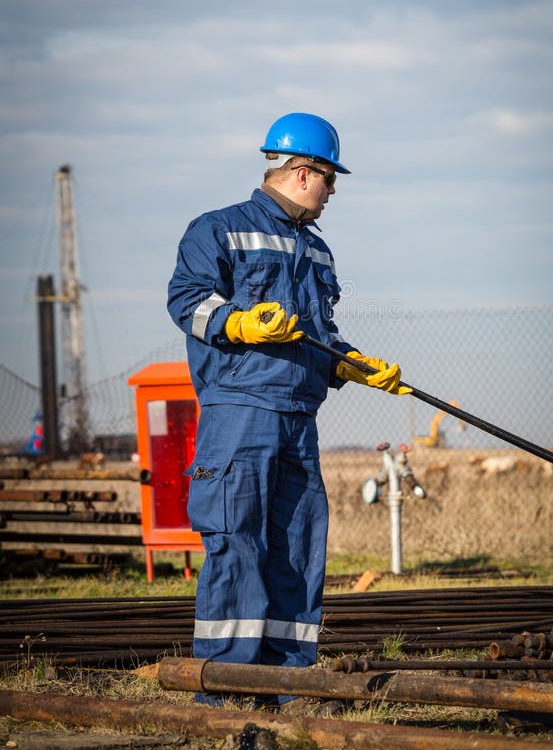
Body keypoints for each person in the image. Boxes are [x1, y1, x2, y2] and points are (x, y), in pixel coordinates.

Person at [167, 112, 405, 709]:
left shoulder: (317, 251)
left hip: (299, 416)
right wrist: (239, 322)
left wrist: (350, 363)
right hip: (239, 413)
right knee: (236, 539)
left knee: (299, 546)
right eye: (331, 179)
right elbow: (188, 302)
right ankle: (224, 687)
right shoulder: (219, 229)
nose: (333, 192)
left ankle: (290, 682)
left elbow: (317, 333)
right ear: (304, 172)